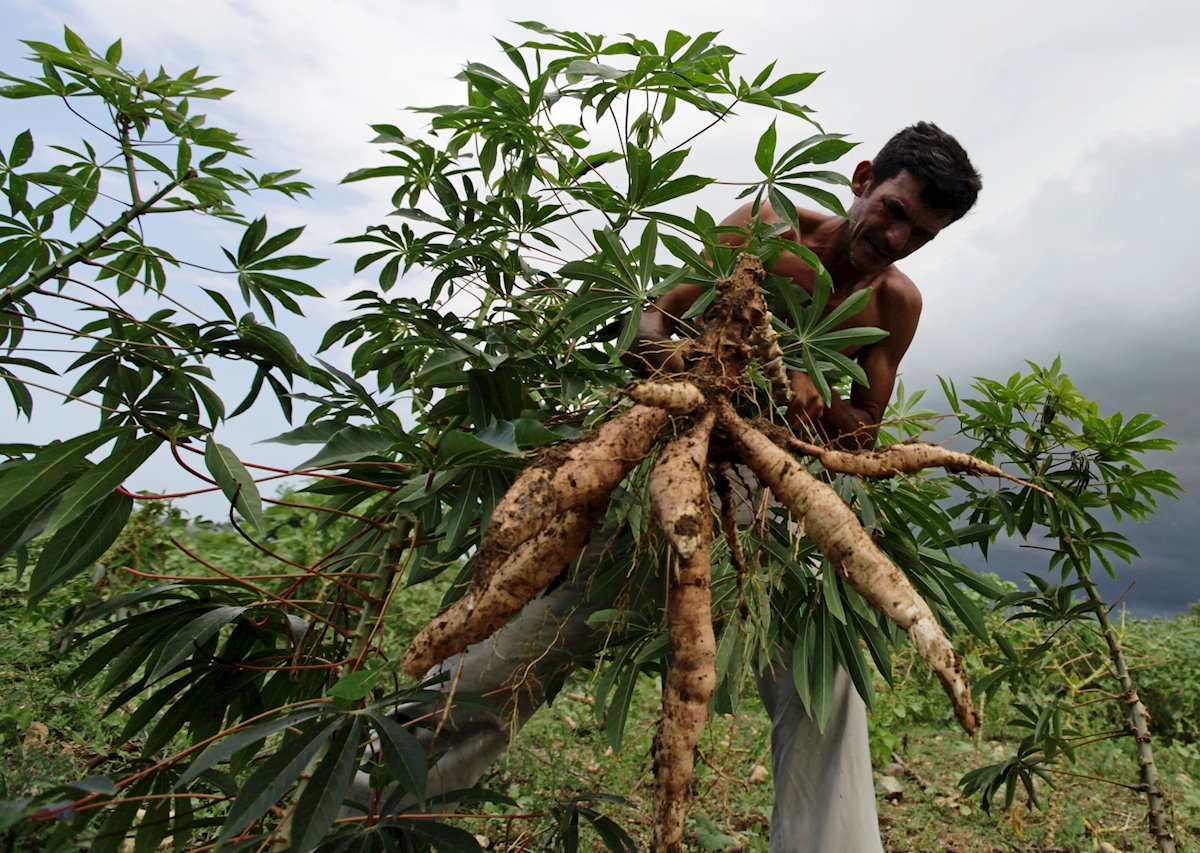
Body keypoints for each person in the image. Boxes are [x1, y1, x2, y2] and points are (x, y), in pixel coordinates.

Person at [356, 122, 981, 852]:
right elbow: (645, 328)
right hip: (658, 462)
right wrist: (755, 363)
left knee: (827, 684)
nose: (899, 240)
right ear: (864, 177)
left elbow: (863, 431)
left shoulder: (894, 305)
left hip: (769, 495)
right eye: (896, 211)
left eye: (923, 235)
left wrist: (812, 404)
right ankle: (371, 811)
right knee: (509, 655)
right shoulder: (767, 226)